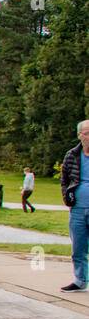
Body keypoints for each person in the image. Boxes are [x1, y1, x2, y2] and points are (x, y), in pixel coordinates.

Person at [59, 119, 89, 291]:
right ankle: (80, 280)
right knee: (78, 247)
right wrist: (67, 198)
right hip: (77, 209)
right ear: (80, 136)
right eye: (87, 133)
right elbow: (64, 180)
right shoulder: (72, 155)